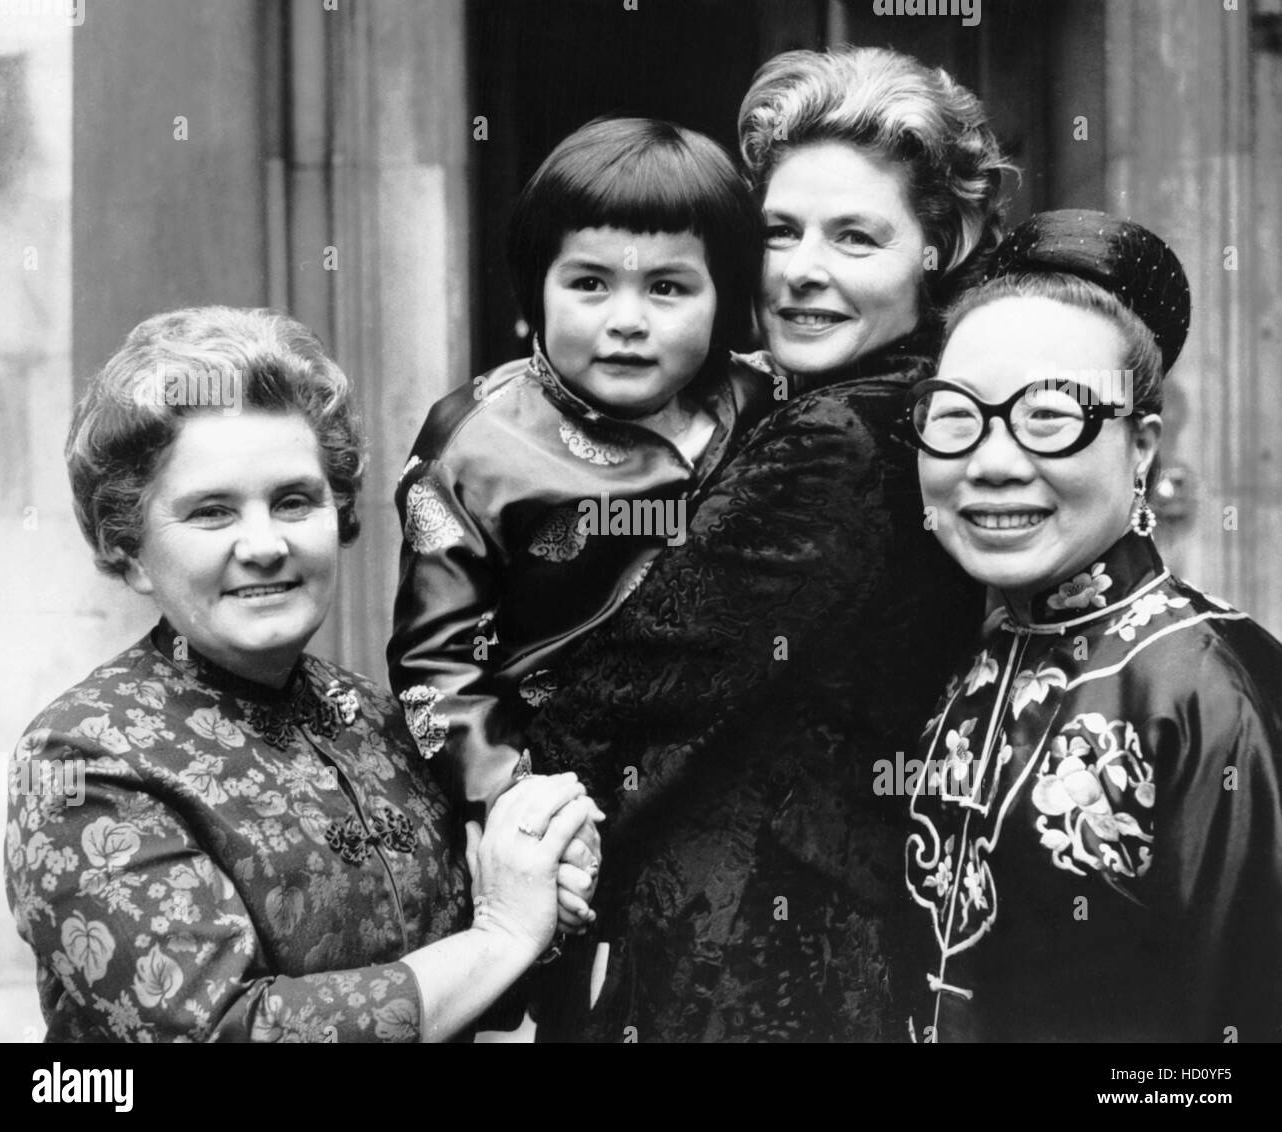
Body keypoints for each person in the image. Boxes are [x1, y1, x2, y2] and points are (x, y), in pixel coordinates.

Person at [519, 46, 1013, 1042]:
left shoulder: (844, 437)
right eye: (779, 231)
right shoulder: (854, 404)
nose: (801, 271)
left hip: (755, 956)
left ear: (939, 245)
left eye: (854, 238)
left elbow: (627, 676)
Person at [4, 306, 600, 1042]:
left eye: (293, 501)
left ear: (339, 514)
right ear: (129, 550)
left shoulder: (381, 721)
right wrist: (504, 934)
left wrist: (548, 866)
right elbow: (223, 1031)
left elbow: (490, 986)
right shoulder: (81, 757)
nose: (264, 545)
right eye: (212, 513)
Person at [903, 209, 1282, 1042]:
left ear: (1142, 447)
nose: (994, 463)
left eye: (1050, 416)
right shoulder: (959, 649)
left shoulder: (1214, 691)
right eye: (956, 415)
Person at [387, 117, 770, 816]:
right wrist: (510, 801)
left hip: (728, 770)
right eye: (590, 283)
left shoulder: (765, 402)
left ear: (726, 299)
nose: (626, 320)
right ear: (537, 291)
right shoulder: (476, 442)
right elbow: (435, 667)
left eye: (668, 288)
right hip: (553, 780)